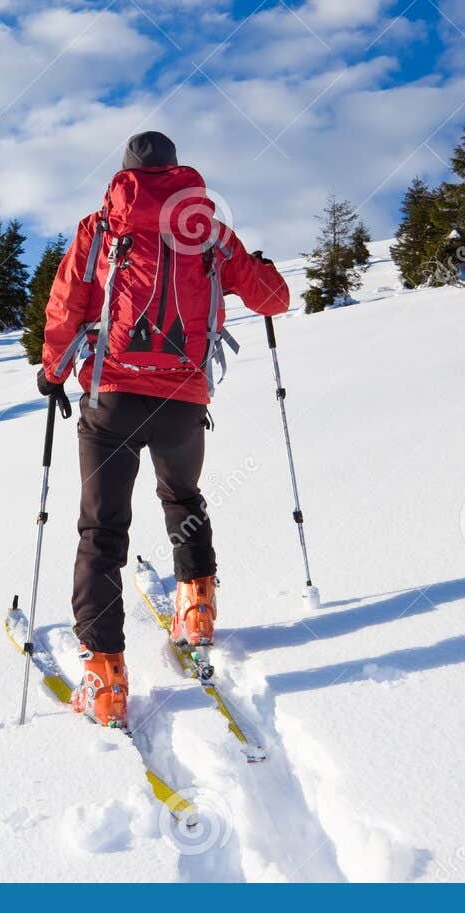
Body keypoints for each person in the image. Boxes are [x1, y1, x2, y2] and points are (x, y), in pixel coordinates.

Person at [36, 131, 290, 728]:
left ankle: (104, 678)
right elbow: (273, 299)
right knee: (183, 497)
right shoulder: (209, 232)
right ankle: (196, 609)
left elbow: (67, 304)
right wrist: (263, 270)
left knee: (102, 531)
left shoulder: (100, 228)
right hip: (182, 398)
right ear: (179, 173)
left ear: (125, 173)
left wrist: (53, 373)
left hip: (112, 398)